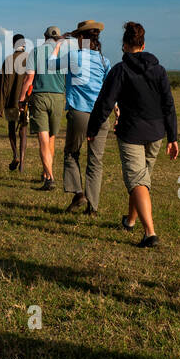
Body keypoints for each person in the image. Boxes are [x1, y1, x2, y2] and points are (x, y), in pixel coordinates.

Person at [88, 22, 179, 248]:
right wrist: (172, 137)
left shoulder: (120, 70)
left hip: (131, 133)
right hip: (156, 133)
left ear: (124, 45)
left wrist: (93, 128)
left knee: (137, 179)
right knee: (141, 178)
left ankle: (150, 233)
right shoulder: (159, 70)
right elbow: (169, 104)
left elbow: (105, 103)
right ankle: (130, 220)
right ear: (143, 44)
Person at [58, 20, 110, 214]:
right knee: (96, 161)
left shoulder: (72, 57)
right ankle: (93, 207)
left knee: (72, 153)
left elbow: (50, 64)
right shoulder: (105, 61)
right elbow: (109, 90)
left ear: (80, 37)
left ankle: (79, 192)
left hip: (79, 112)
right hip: (101, 115)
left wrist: (59, 43)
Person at [27, 26, 67, 191]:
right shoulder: (64, 54)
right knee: (51, 138)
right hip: (58, 97)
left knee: (43, 139)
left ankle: (49, 177)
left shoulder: (36, 51)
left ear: (44, 37)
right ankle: (46, 172)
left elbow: (29, 77)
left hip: (40, 96)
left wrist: (22, 98)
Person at [0, 34, 30, 172]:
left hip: (10, 101)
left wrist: (0, 104)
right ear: (24, 44)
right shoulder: (29, 59)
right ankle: (22, 163)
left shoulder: (8, 60)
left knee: (11, 128)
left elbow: (2, 85)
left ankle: (15, 155)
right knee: (23, 130)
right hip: (25, 101)